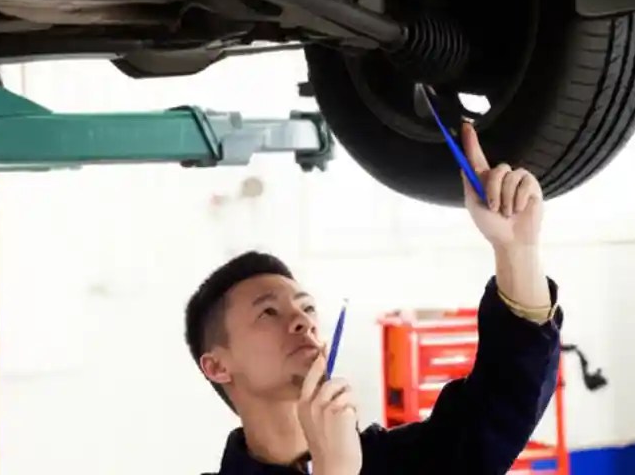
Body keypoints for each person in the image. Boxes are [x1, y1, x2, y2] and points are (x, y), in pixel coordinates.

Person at [184, 122, 563, 475]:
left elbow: (500, 408)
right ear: (217, 365)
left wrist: (516, 249)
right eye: (268, 311)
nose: (302, 321)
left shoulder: (391, 461)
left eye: (307, 306)